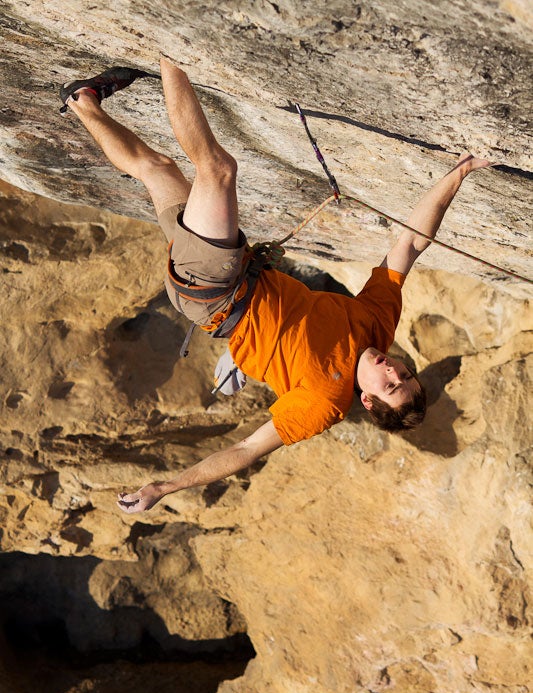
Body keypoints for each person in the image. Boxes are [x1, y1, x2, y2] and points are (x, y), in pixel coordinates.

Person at [60, 59, 491, 513]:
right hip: (232, 271)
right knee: (157, 169)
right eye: (405, 374)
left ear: (366, 399)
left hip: (215, 288)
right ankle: (83, 102)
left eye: (389, 385)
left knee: (218, 168)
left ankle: (171, 53)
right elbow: (409, 243)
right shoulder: (377, 322)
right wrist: (462, 170)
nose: (393, 370)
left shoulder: (323, 404)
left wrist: (166, 487)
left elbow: (246, 450)